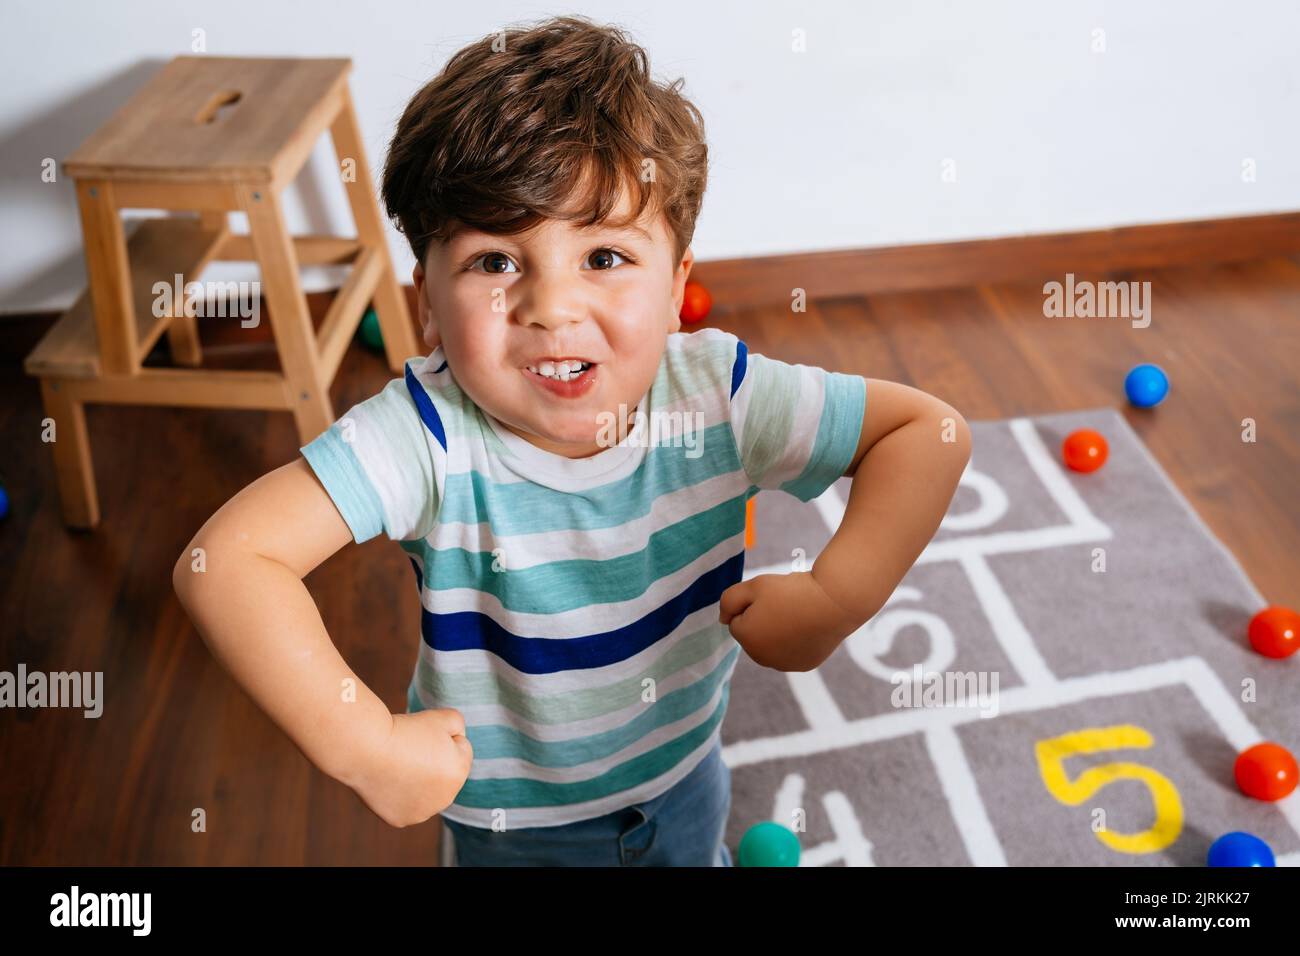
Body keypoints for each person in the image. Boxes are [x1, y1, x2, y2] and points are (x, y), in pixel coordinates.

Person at [173, 14, 971, 866]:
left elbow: (929, 431)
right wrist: (364, 745)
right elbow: (224, 563)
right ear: (427, 306)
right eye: (494, 262)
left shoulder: (720, 394)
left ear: (676, 290)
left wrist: (834, 599)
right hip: (507, 822)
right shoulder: (424, 435)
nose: (551, 307)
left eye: (603, 257)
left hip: (681, 772)